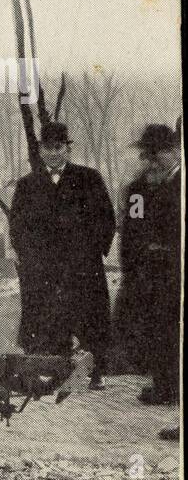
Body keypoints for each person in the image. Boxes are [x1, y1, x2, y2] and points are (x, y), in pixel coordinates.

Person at [9, 121, 115, 386]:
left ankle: (97, 372)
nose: (54, 153)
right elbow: (17, 226)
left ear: (67, 149)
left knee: (90, 315)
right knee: (49, 316)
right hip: (44, 268)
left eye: (59, 147)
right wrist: (30, 257)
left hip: (82, 265)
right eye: (48, 148)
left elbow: (106, 218)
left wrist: (94, 252)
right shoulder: (27, 185)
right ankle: (55, 370)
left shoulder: (89, 178)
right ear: (40, 151)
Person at [115, 123, 181, 432]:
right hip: (150, 276)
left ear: (173, 151)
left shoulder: (180, 185)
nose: (150, 162)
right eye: (146, 156)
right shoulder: (138, 191)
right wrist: (132, 269)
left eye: (155, 155)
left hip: (176, 272)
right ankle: (164, 385)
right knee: (157, 331)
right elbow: (132, 230)